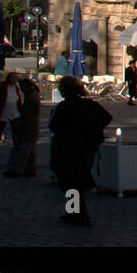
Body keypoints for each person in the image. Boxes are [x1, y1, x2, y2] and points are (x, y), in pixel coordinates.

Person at [48, 76, 112, 227]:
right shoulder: (90, 105)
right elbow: (107, 117)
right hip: (87, 148)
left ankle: (79, 214)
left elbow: (53, 126)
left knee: (71, 182)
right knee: (77, 182)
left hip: (68, 150)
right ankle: (73, 212)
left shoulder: (64, 107)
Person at [5, 78, 41, 177]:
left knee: (22, 149)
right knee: (30, 151)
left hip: (28, 127)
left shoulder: (32, 97)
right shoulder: (32, 95)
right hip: (31, 127)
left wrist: (19, 122)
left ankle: (16, 170)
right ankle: (29, 170)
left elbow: (27, 113)